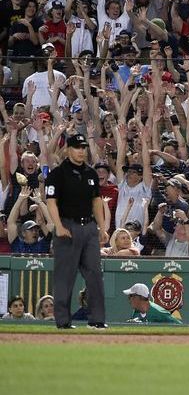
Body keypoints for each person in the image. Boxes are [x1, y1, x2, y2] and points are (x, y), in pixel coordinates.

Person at [46, 133, 108, 329]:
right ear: (68, 149)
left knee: (95, 275)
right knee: (65, 276)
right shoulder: (57, 173)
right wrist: (58, 226)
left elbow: (96, 201)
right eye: (77, 147)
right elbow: (51, 202)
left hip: (89, 227)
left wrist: (102, 228)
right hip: (67, 226)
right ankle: (63, 322)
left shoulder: (91, 173)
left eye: (83, 148)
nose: (81, 151)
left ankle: (97, 320)